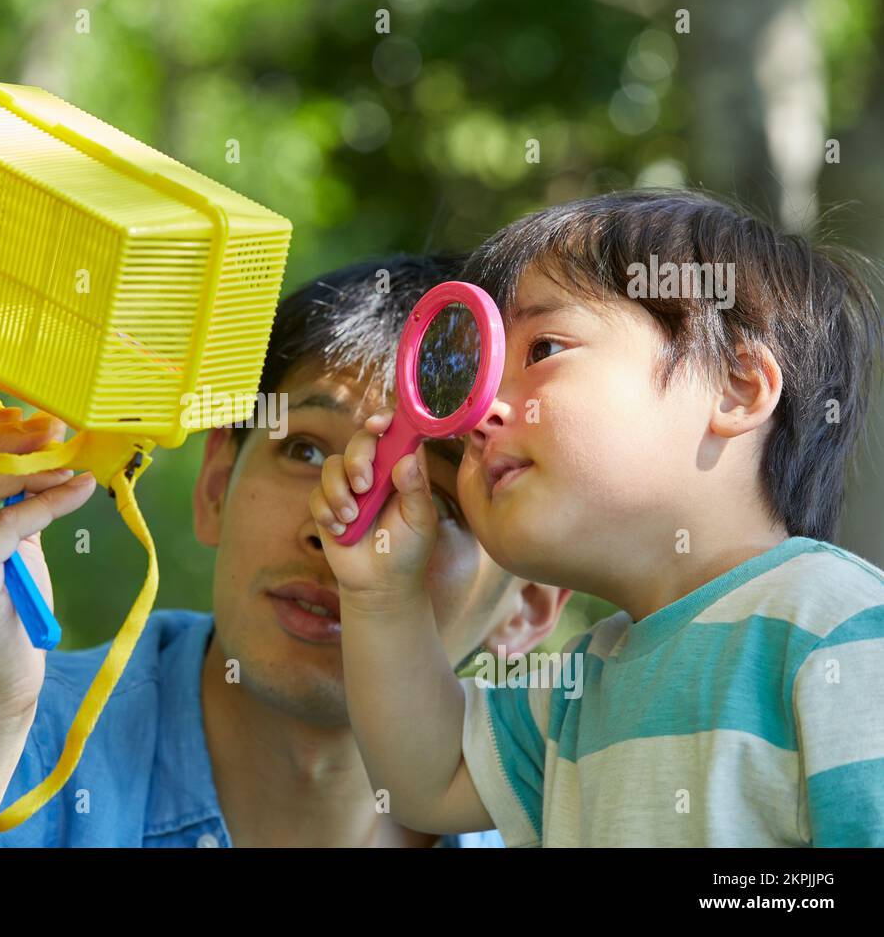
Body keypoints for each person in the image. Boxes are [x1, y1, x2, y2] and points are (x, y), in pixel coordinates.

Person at [0, 253, 571, 848]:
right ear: (216, 481)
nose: (341, 527)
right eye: (302, 451)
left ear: (529, 607)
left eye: (433, 500)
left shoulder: (578, 815)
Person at [311, 190, 884, 846]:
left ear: (737, 386)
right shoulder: (580, 685)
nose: (480, 414)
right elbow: (427, 780)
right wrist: (381, 594)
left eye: (542, 349)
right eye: (473, 377)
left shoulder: (839, 630)